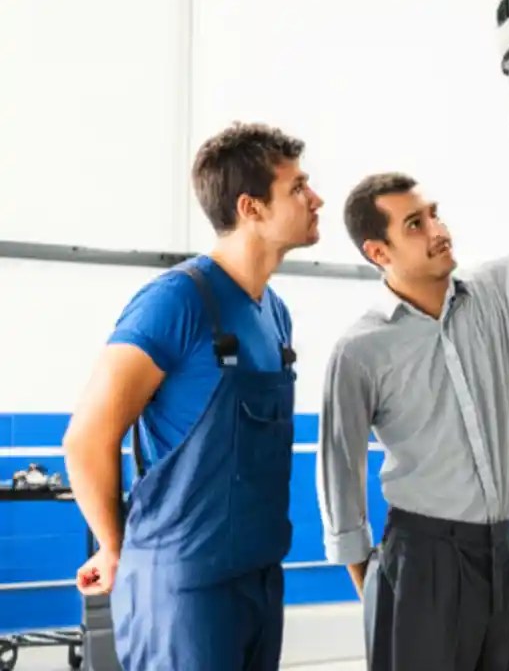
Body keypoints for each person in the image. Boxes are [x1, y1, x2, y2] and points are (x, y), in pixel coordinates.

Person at [315, 128, 509, 670]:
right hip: (421, 558)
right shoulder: (360, 350)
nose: (438, 230)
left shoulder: (492, 298)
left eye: (434, 213)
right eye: (416, 224)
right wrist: (379, 586)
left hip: (500, 554)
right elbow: (339, 472)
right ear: (378, 251)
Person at [61, 122, 324, 670]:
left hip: (256, 577)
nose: (315, 198)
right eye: (297, 187)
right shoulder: (175, 301)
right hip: (184, 590)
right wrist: (114, 548)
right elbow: (86, 440)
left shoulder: (274, 313)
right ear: (251, 207)